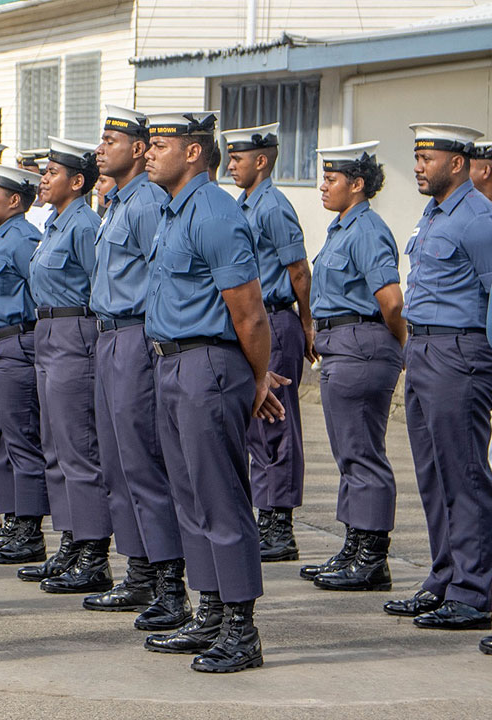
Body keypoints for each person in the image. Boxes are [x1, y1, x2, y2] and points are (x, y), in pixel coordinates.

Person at [141, 110, 280, 673]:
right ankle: (211, 611)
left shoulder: (217, 213)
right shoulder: (175, 212)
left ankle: (242, 628)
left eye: (160, 144)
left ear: (194, 152)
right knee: (191, 496)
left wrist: (256, 377)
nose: (149, 152)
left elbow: (250, 314)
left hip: (207, 365)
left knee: (221, 496)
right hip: (171, 364)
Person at [85, 106, 189, 631]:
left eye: (111, 140)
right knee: (119, 463)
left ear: (139, 148)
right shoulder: (117, 202)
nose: (101, 149)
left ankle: (171, 585)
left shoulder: (147, 202)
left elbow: (162, 278)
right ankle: (140, 570)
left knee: (145, 465)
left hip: (135, 337)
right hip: (108, 336)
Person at [386, 123, 492, 636]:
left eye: (428, 157)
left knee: (465, 473)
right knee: (431, 474)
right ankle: (445, 578)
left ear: (458, 162)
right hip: (423, 348)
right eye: (417, 156)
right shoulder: (432, 214)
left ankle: (476, 592)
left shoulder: (478, 219)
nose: (419, 166)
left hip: (459, 351)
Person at [298, 142, 404, 593]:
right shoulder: (342, 228)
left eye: (332, 178)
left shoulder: (367, 230)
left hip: (362, 345)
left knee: (362, 453)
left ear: (357, 185)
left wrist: (395, 346)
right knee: (349, 452)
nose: (323, 186)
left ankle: (372, 556)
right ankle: (355, 543)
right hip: (343, 346)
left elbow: (392, 302)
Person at [223, 123, 314, 563]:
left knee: (276, 422)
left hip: (276, 321)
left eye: (237, 157)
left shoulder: (273, 206)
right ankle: (268, 514)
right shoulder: (244, 205)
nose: (230, 164)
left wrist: (308, 323)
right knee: (257, 423)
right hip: (255, 322)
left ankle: (279, 523)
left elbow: (298, 270)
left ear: (261, 160)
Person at [23, 137, 105, 591]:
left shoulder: (84, 225)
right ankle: (70, 540)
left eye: (52, 172)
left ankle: (93, 552)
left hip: (76, 331)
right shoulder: (55, 224)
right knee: (53, 446)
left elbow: (100, 286)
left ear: (77, 181)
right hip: (47, 332)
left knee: (78, 447)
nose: (43, 178)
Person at [0, 163, 50, 566]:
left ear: (15, 200)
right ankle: (11, 520)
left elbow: (40, 294)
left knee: (21, 439)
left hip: (13, 347)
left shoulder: (23, 240)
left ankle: (30, 529)